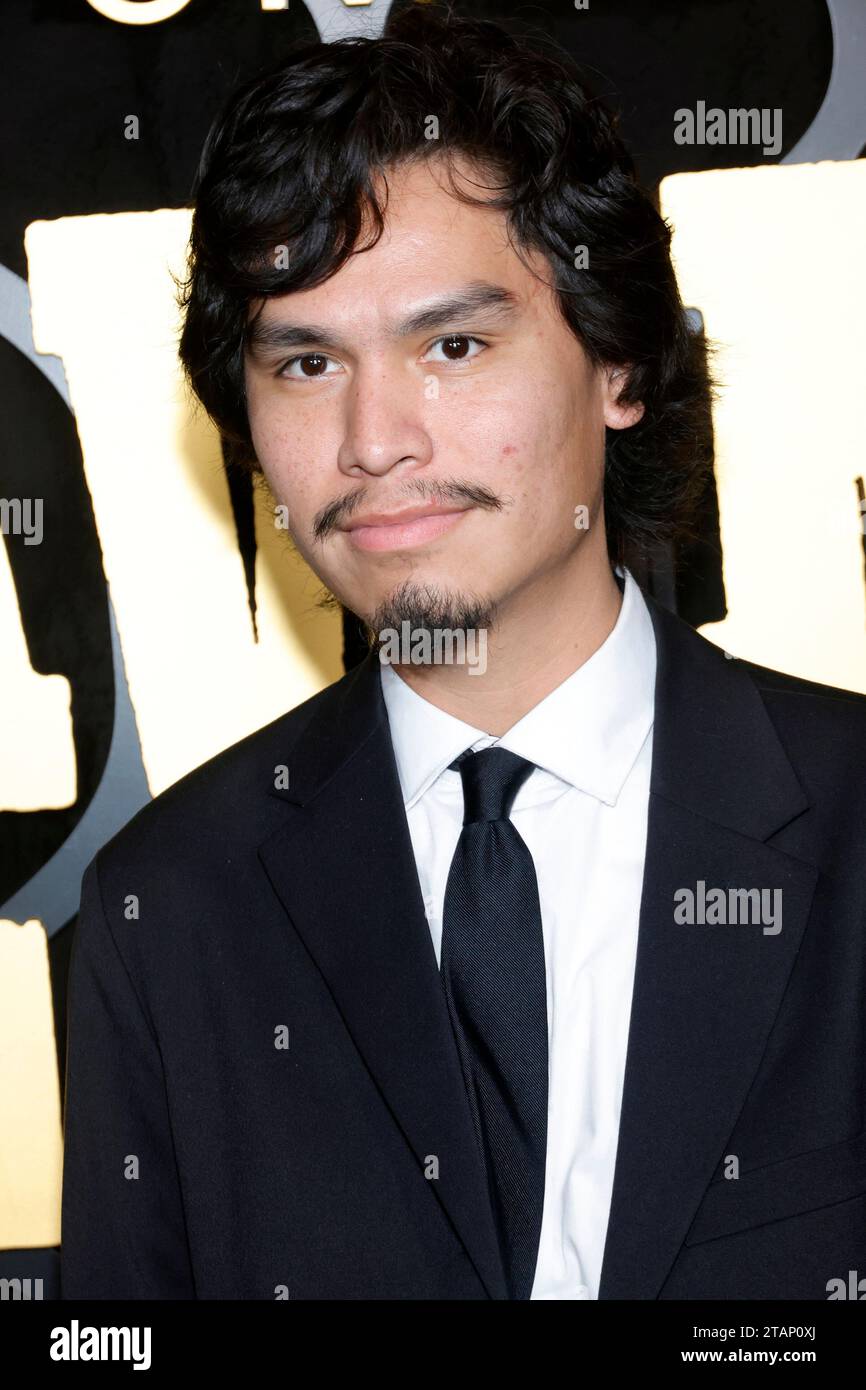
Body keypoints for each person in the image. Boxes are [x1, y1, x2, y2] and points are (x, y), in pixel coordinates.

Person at [61, 4, 866, 1300]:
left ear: (616, 359)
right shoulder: (171, 909)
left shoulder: (850, 825)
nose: (374, 436)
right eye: (308, 360)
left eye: (451, 344)